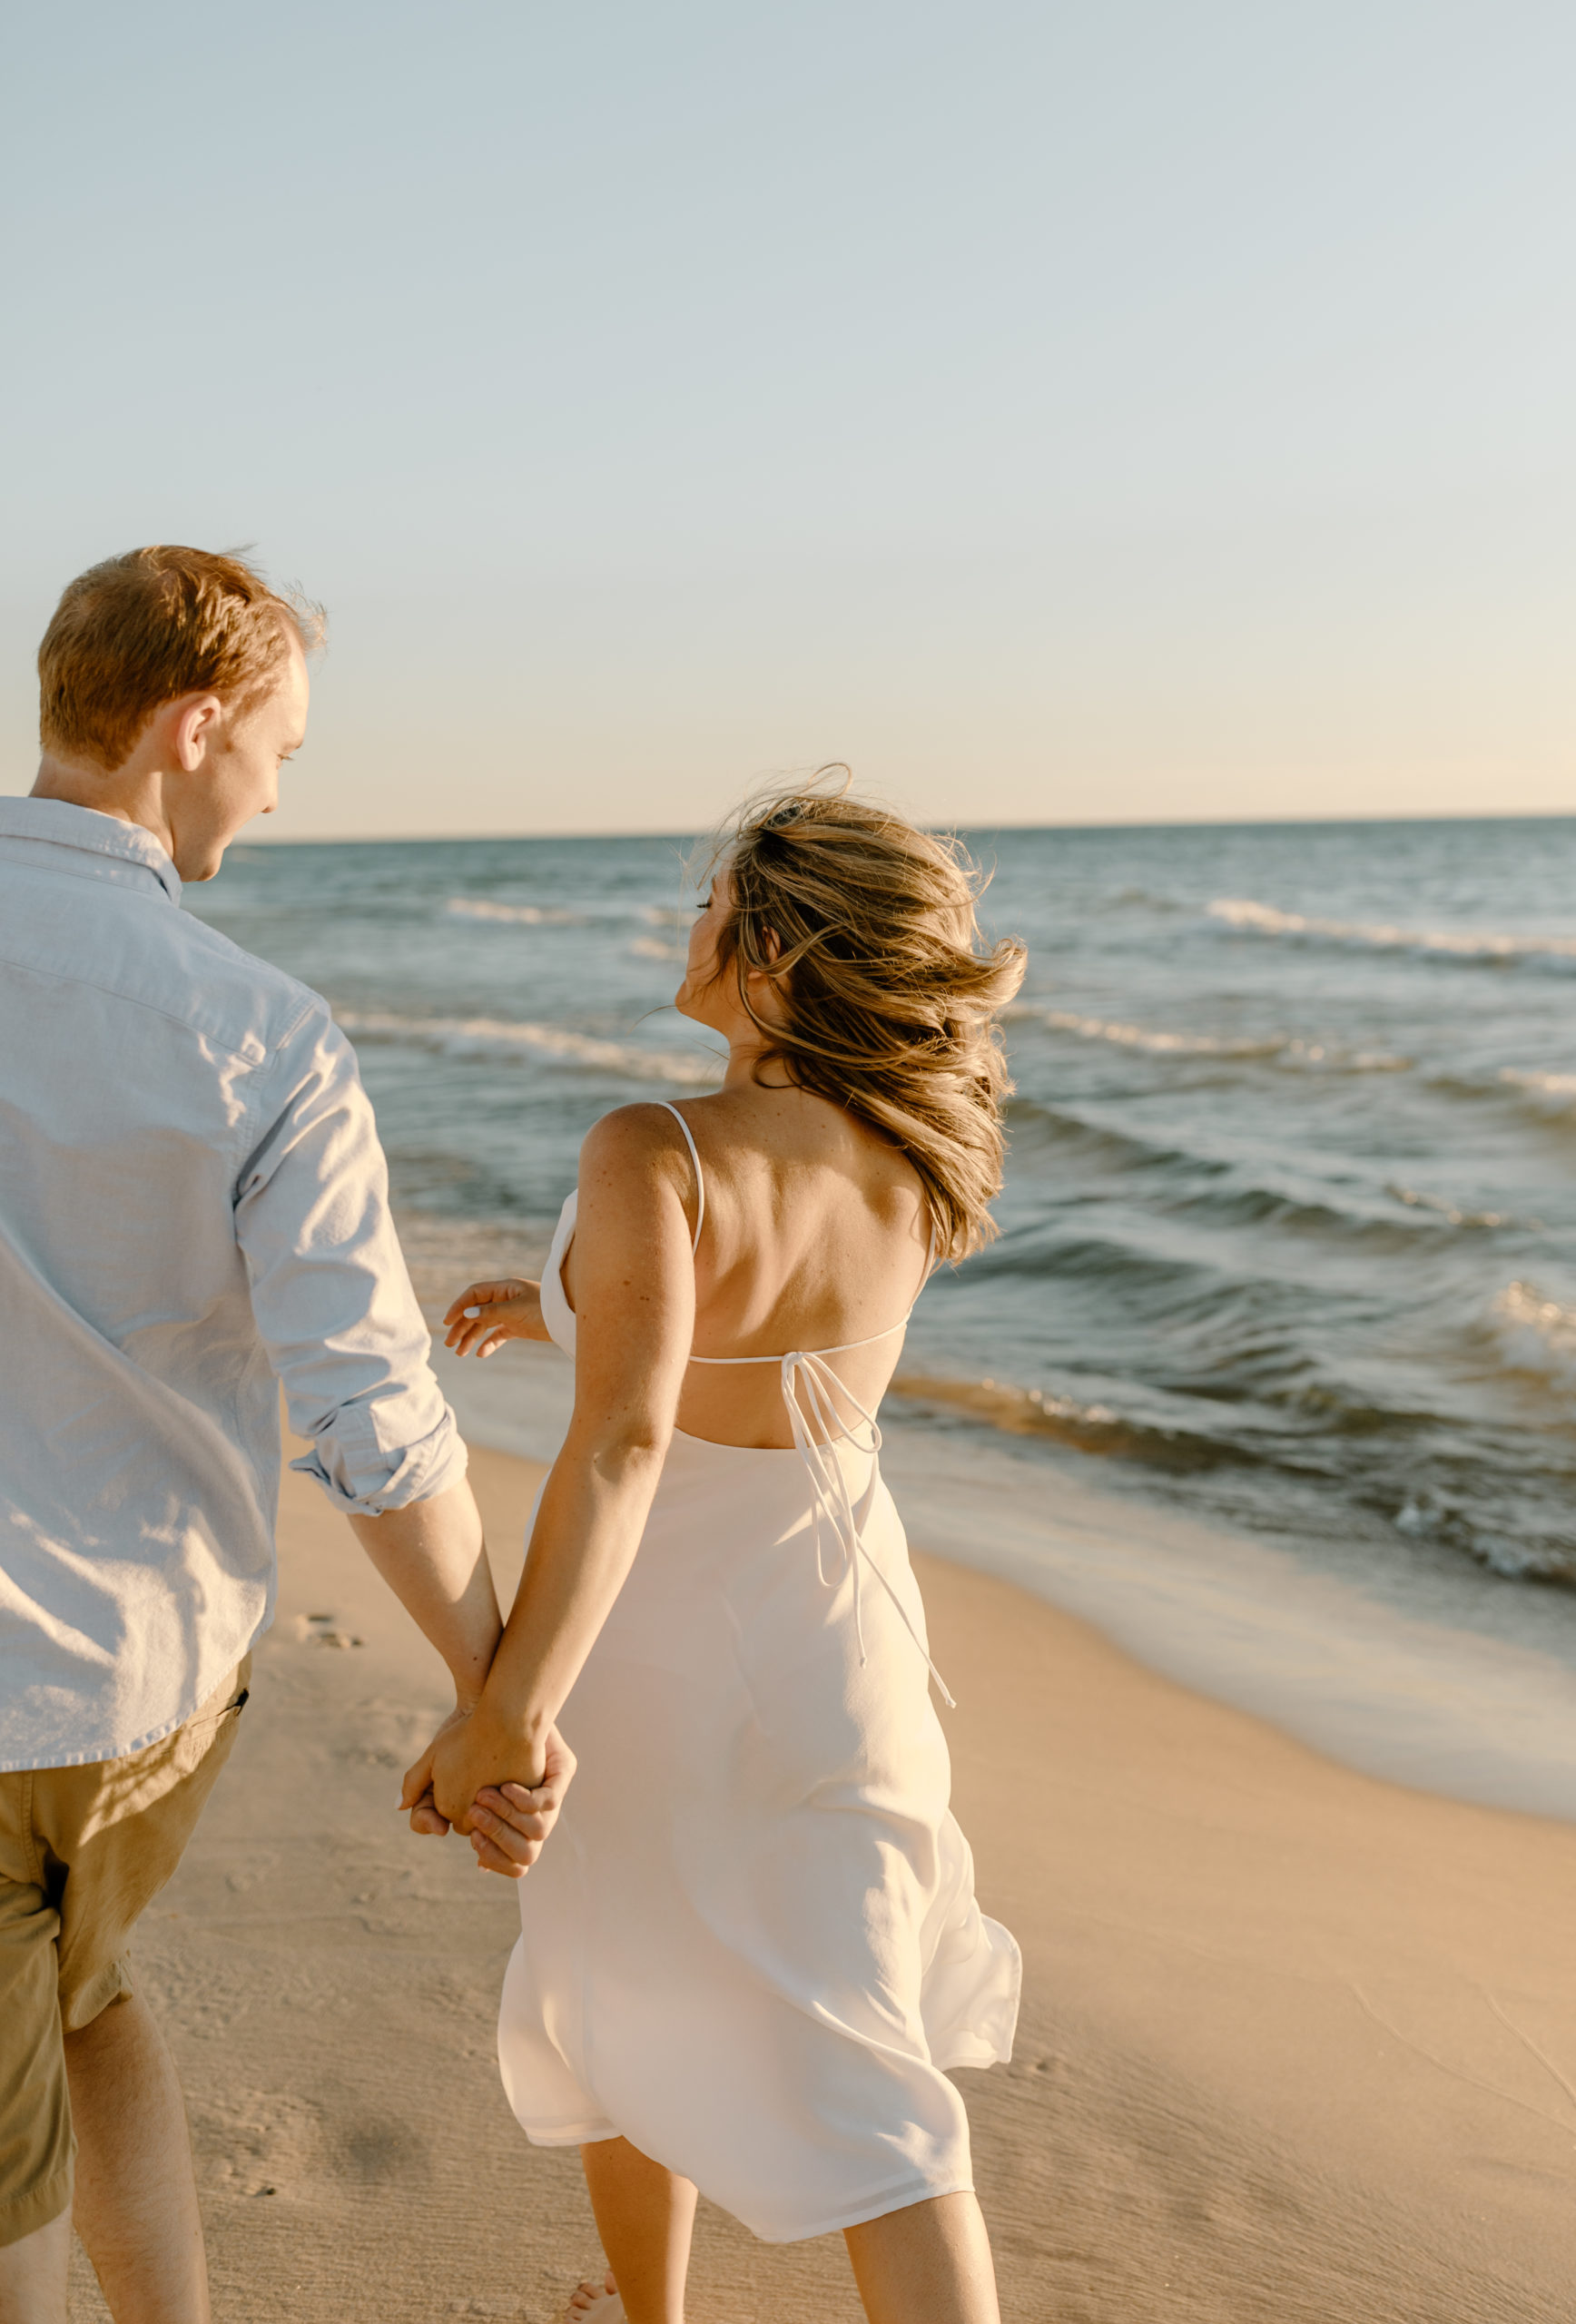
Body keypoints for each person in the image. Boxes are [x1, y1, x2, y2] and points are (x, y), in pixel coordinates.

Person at [0, 547, 566, 2324]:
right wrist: (494, 1695)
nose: (277, 785)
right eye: (280, 748)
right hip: (121, 1687)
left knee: (55, 2012)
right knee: (68, 1997)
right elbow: (373, 1414)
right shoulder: (262, 1038)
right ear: (191, 725)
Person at [414, 780, 1027, 2324]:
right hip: (841, 1650)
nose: (687, 928)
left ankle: (653, 2319)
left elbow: (630, 1443)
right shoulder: (910, 1162)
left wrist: (513, 1706)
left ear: (777, 952)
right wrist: (551, 1296)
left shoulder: (653, 1147)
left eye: (711, 906)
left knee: (622, 1995)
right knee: (874, 2081)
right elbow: (749, 1351)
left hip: (655, 1655)